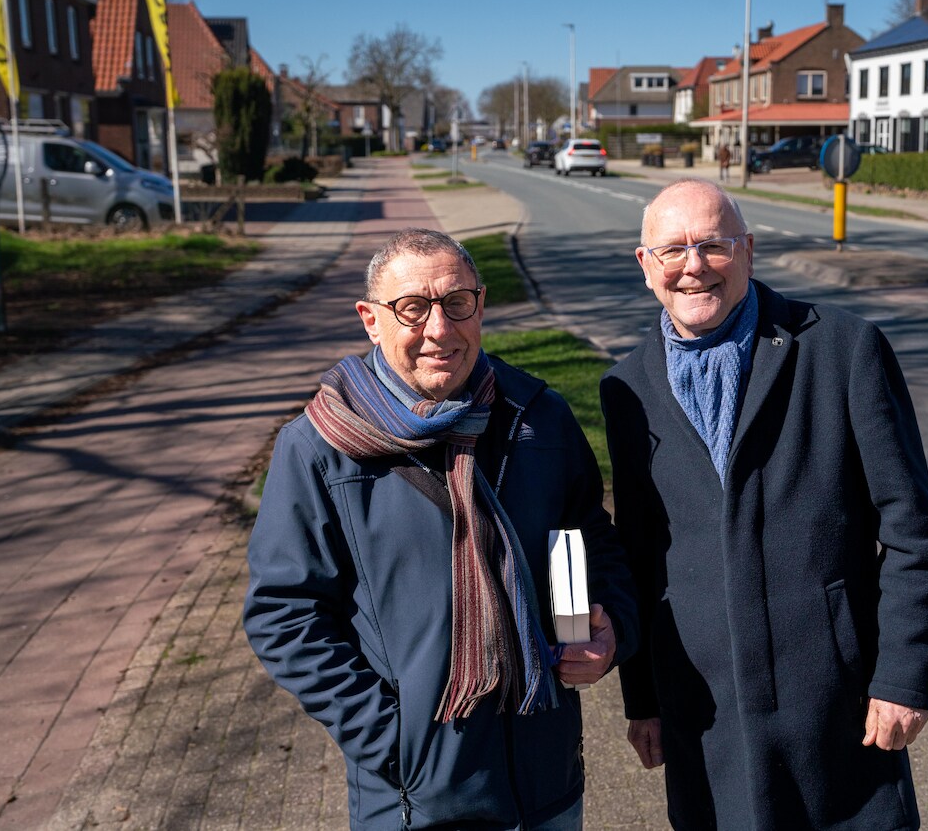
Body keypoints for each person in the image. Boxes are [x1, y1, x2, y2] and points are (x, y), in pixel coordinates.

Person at [245, 228, 637, 830]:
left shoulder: (537, 416)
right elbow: (284, 613)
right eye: (412, 308)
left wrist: (602, 626)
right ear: (371, 320)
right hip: (419, 800)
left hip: (548, 779)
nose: (439, 329)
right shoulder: (321, 448)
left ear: (480, 305)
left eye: (457, 304)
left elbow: (583, 537)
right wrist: (393, 740)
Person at [600, 180, 928, 830]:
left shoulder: (842, 349)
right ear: (645, 267)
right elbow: (640, 553)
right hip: (705, 713)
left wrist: (902, 675)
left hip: (835, 703)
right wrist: (641, 698)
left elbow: (909, 527)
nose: (693, 265)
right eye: (672, 249)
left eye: (713, 244)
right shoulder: (625, 387)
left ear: (749, 252)